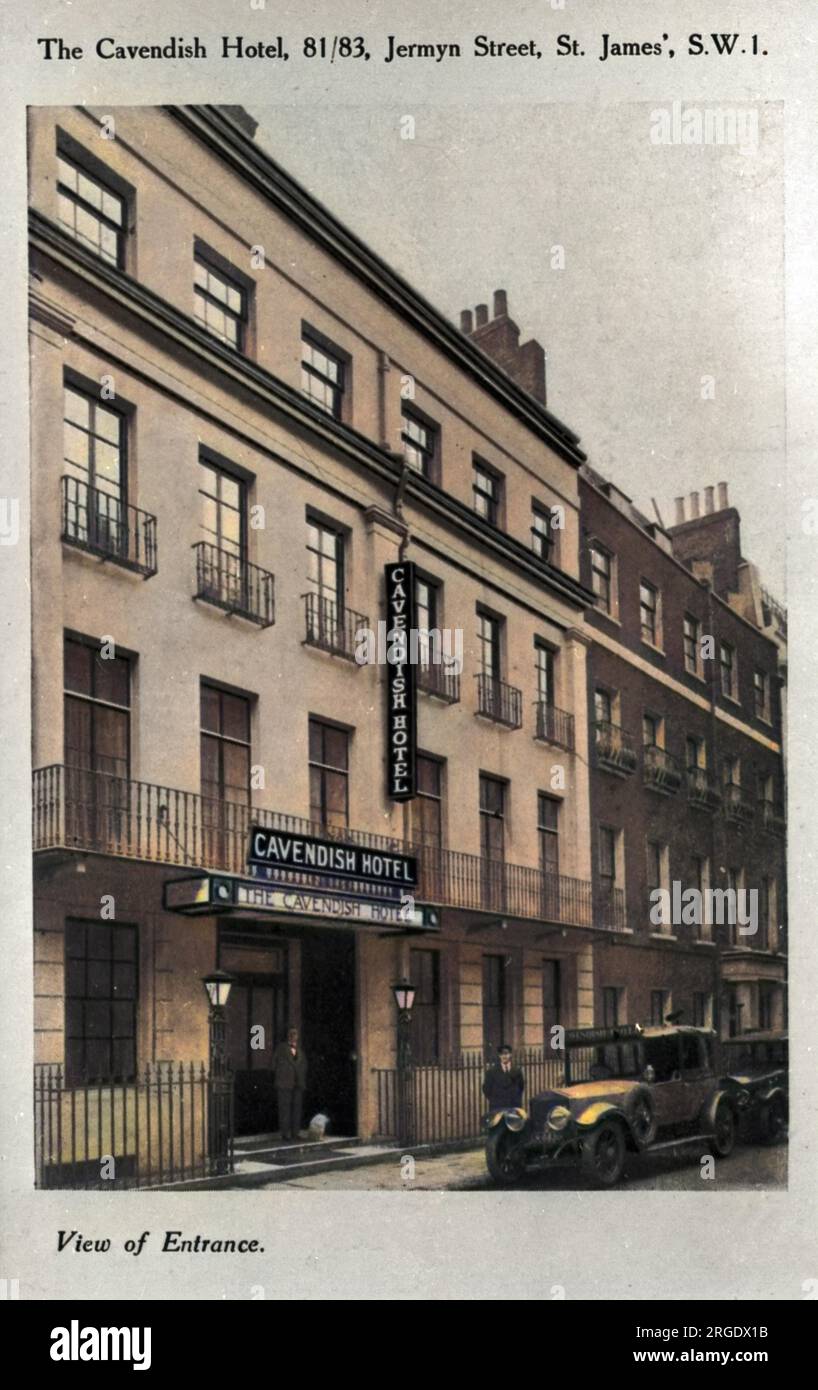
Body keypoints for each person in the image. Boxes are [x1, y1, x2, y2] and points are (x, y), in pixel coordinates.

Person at [273, 1027, 308, 1141]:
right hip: (284, 1084)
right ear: (287, 1036)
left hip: (298, 1084)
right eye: (291, 1034)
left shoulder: (300, 1050)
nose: (293, 1036)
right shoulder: (281, 1048)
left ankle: (295, 1133)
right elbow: (274, 1064)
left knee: (296, 1109)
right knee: (285, 1109)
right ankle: (285, 1133)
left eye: (295, 1034)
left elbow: (303, 1065)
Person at [482, 1044, 525, 1111]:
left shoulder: (517, 1071)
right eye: (502, 1054)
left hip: (513, 1105)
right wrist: (495, 1100)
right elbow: (486, 1089)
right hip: (497, 1106)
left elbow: (521, 1087)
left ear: (510, 1054)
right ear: (499, 1056)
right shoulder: (491, 1072)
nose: (504, 1056)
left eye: (506, 1053)